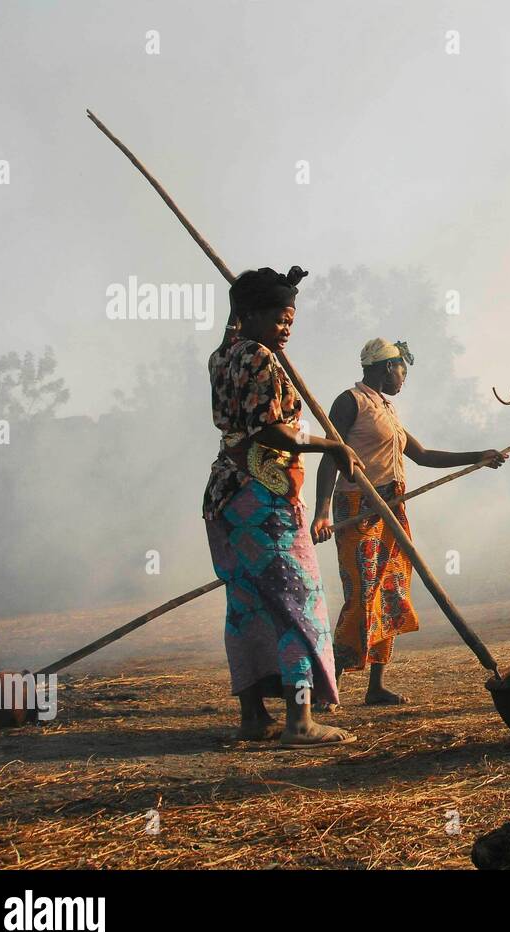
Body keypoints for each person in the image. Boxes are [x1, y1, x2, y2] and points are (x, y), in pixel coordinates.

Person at [203, 266, 362, 747]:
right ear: (249, 316)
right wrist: (330, 445)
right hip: (264, 494)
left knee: (247, 605)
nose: (287, 327)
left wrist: (268, 293)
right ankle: (300, 720)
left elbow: (236, 325)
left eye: (291, 318)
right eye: (278, 317)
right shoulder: (257, 356)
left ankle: (253, 717)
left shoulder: (223, 354)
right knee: (297, 602)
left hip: (224, 499)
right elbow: (269, 429)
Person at [310, 338, 506, 706]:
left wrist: (478, 456)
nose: (404, 378)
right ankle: (326, 686)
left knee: (391, 591)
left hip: (393, 507)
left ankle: (376, 686)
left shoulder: (388, 408)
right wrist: (321, 512)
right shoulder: (350, 402)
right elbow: (329, 457)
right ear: (387, 367)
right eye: (402, 369)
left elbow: (422, 455)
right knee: (362, 592)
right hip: (359, 508)